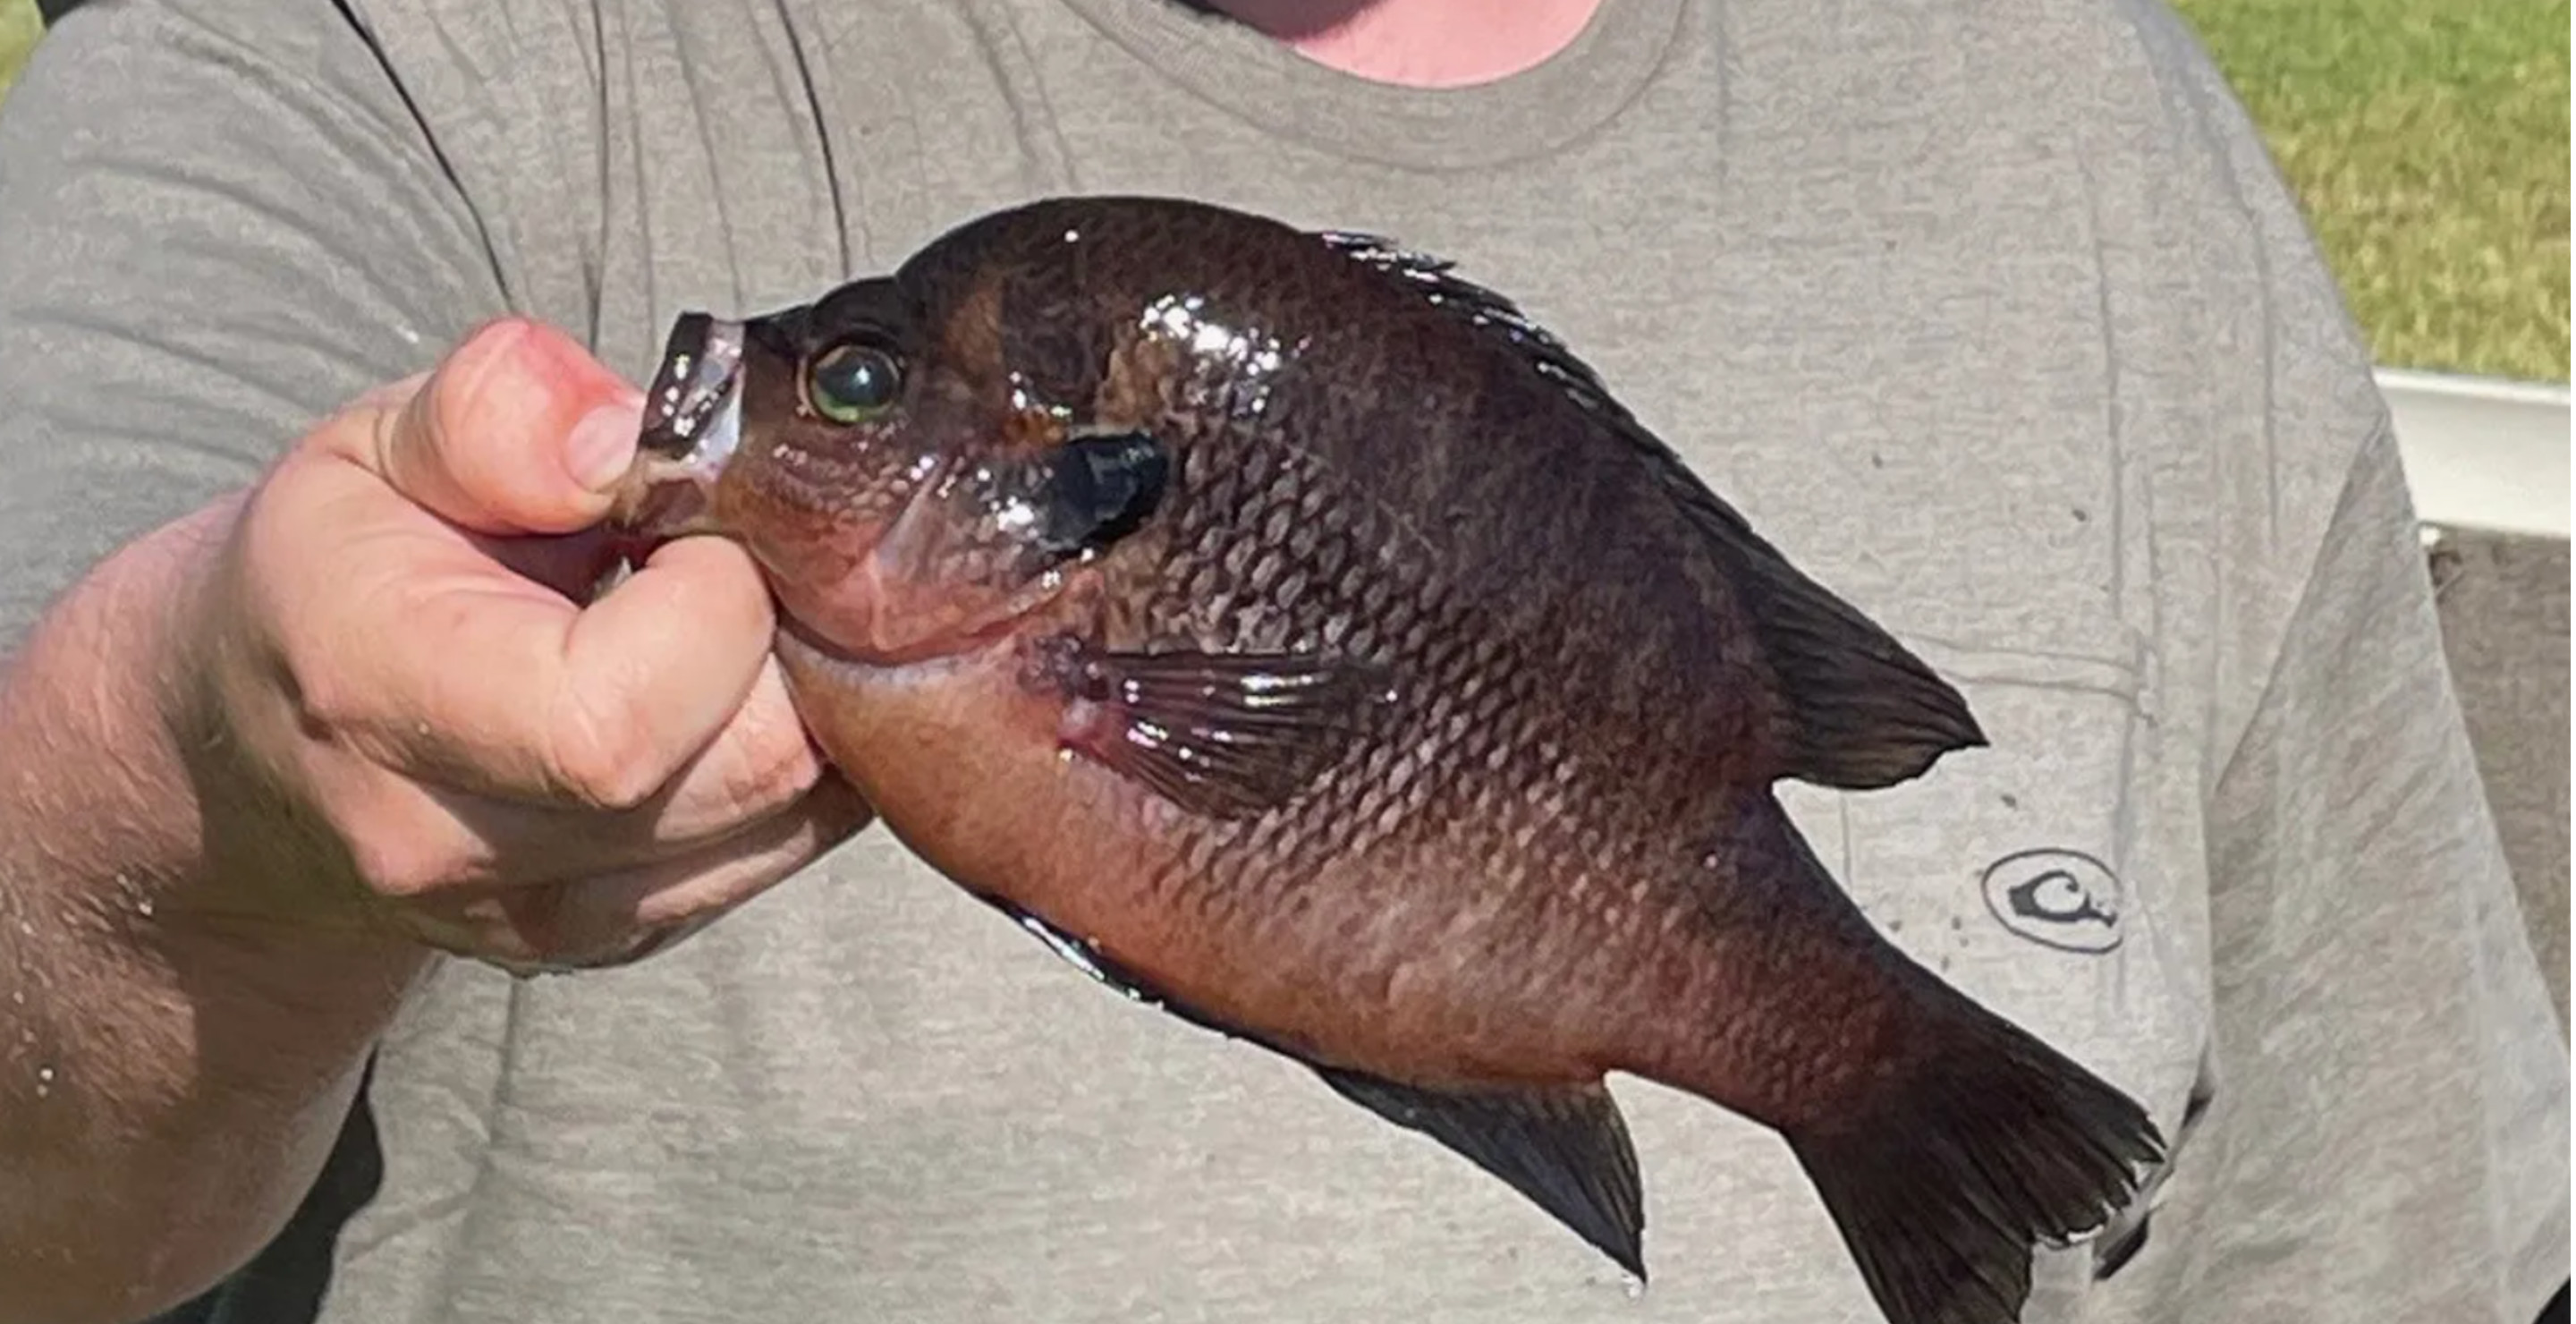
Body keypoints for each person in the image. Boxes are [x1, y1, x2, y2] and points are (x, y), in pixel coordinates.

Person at [0, 1, 2564, 1321]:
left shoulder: (2092, 128)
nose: (818, 406)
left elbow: (2384, 1250)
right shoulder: (373, 70)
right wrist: (174, 819)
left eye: (868, 391)